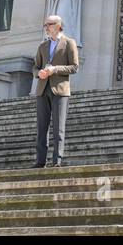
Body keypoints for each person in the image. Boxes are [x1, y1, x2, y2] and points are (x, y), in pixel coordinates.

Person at [34, 14, 80, 168]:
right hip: (42, 89)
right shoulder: (42, 46)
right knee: (42, 127)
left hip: (60, 90)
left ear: (59, 26)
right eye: (45, 25)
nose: (46, 27)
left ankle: (57, 161)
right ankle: (40, 161)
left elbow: (74, 67)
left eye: (49, 24)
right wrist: (38, 73)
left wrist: (55, 69)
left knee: (58, 127)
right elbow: (35, 66)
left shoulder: (69, 43)